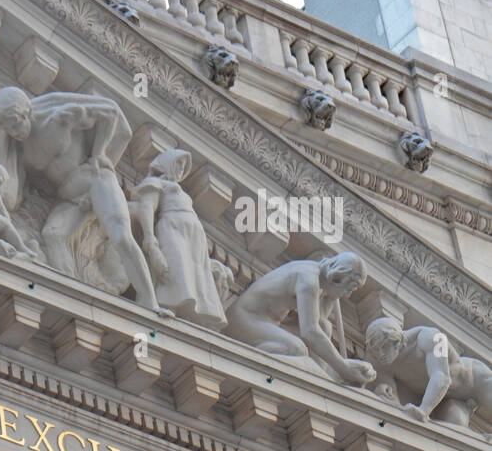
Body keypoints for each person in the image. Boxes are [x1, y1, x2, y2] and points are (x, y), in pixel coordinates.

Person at [0, 86, 171, 317]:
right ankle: (71, 291)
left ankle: (149, 301)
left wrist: (98, 154)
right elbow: (12, 193)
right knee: (52, 234)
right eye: (8, 128)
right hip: (70, 198)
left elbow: (110, 114)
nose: (15, 132)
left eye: (15, 124)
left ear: (26, 112)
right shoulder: (18, 146)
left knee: (121, 236)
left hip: (95, 180)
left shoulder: (59, 118)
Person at [223, 252, 376, 385]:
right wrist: (343, 368)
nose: (347, 295)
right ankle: (254, 361)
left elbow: (319, 328)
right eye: (349, 288)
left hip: (269, 325)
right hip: (245, 320)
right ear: (336, 277)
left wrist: (341, 365)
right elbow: (310, 332)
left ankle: (325, 380)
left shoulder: (319, 278)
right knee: (296, 348)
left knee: (325, 326)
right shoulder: (308, 280)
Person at [130, 149, 226, 329]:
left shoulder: (180, 191)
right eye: (178, 163)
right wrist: (150, 240)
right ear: (167, 163)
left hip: (193, 238)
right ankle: (165, 304)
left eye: (183, 166)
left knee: (194, 273)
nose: (181, 169)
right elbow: (147, 207)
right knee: (176, 265)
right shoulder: (155, 182)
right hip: (172, 228)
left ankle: (191, 314)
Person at [364, 316, 492, 435]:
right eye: (375, 349)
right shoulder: (379, 361)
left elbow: (441, 377)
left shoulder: (433, 337)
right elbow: (394, 401)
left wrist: (423, 410)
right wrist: (384, 393)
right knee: (454, 434)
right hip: (447, 399)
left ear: (397, 341)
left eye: (384, 347)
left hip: (475, 381)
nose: (380, 354)